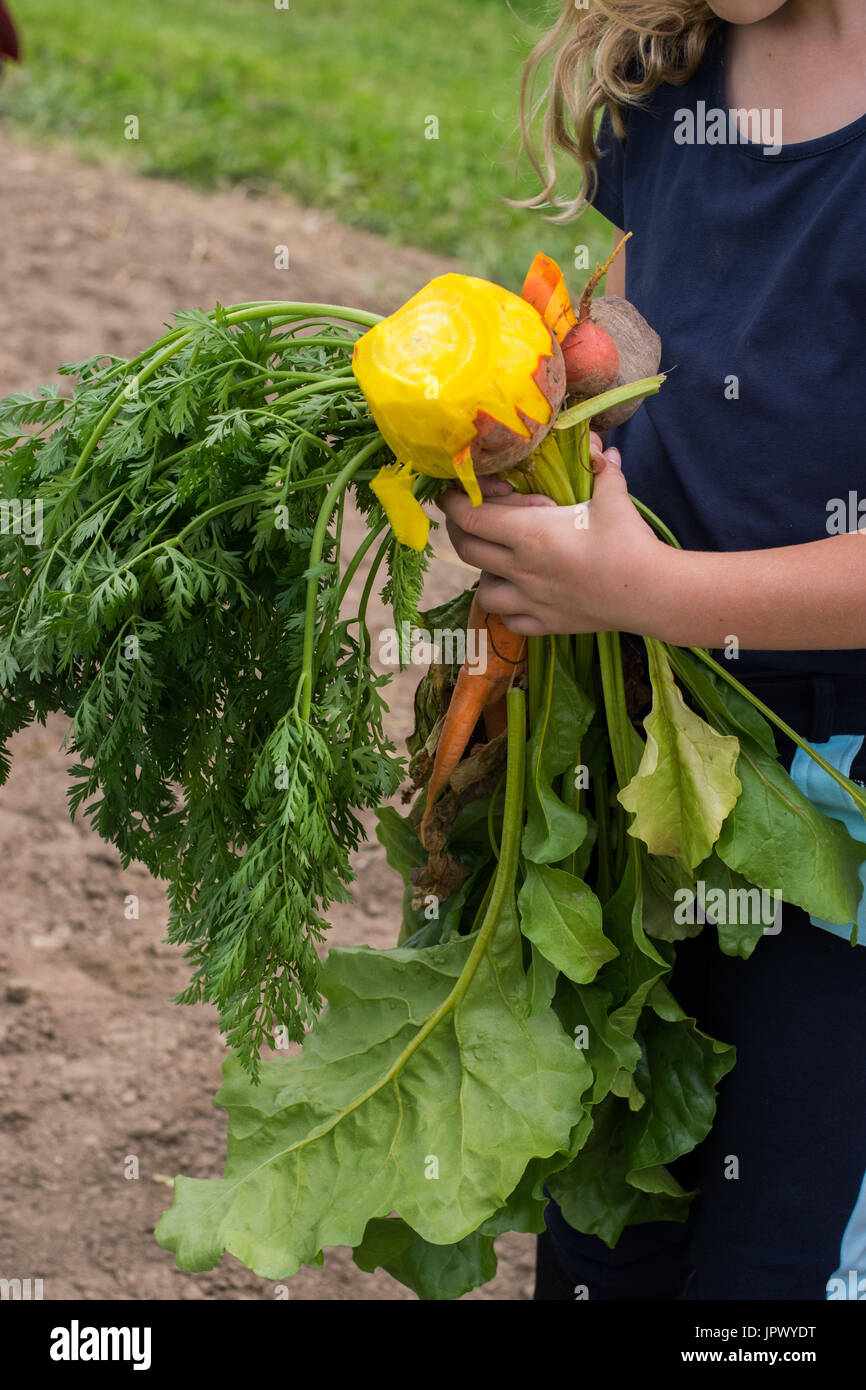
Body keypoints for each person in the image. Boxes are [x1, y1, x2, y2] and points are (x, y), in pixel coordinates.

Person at [437, 0, 866, 1300]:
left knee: (774, 1260)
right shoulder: (668, 64)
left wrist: (650, 588)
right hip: (647, 767)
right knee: (602, 1230)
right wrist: (541, 411)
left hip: (836, 813)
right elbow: (638, 335)